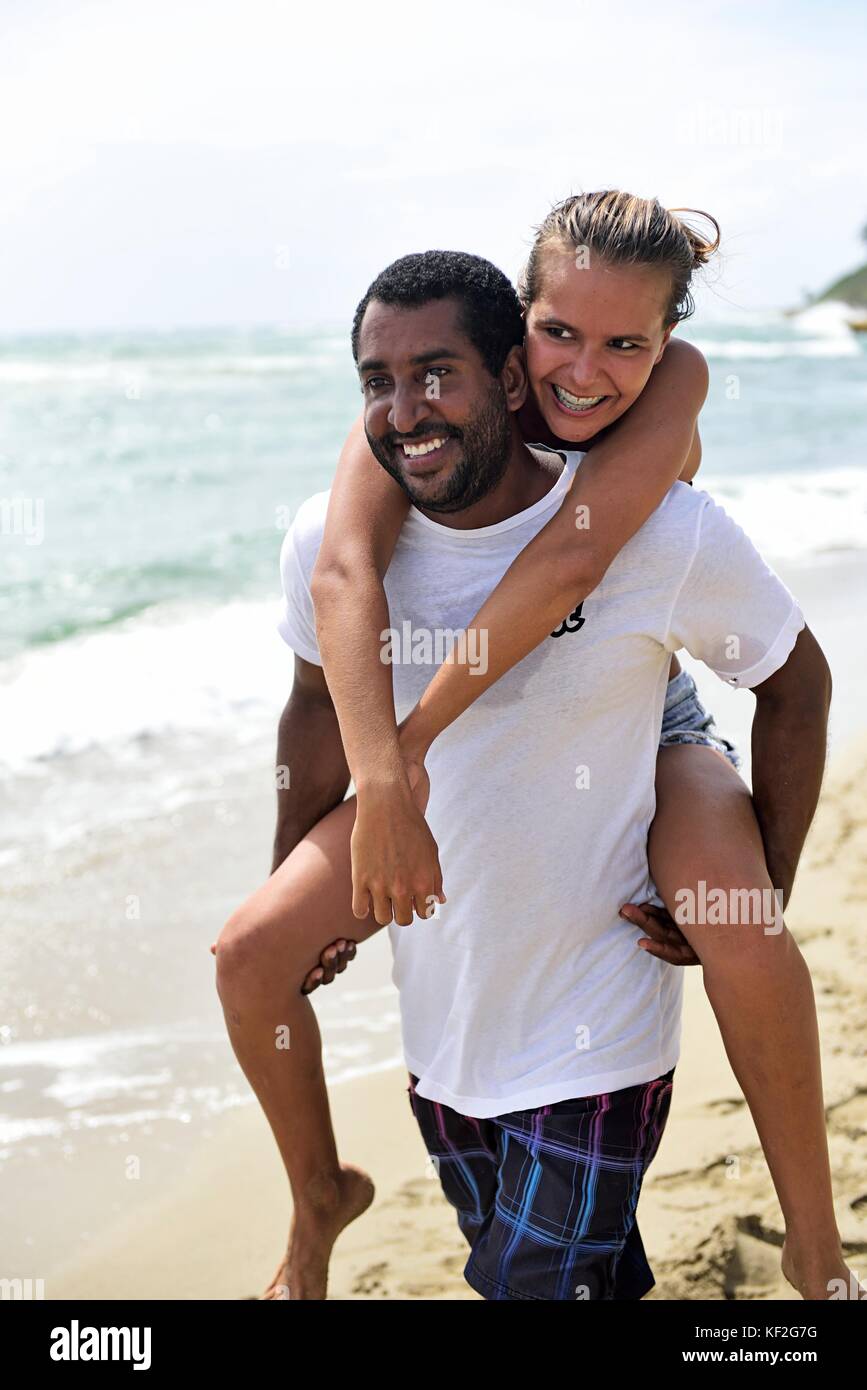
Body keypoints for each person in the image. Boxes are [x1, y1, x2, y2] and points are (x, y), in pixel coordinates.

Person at [214, 235, 852, 1300]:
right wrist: (307, 874)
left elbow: (579, 564)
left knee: (737, 916)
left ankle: (816, 1248)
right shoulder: (380, 477)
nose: (582, 371)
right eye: (560, 332)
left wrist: (772, 872)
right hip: (461, 907)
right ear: (527, 329)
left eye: (623, 344)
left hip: (652, 720)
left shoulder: (652, 464)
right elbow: (331, 634)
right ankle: (317, 1194)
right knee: (247, 955)